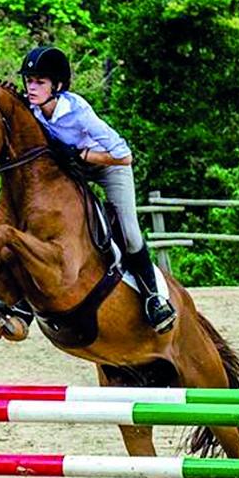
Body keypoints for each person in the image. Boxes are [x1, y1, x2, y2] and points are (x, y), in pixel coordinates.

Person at [19, 45, 176, 333]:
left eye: (39, 82)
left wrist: (84, 155)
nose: (31, 87)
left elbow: (124, 155)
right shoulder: (32, 108)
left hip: (109, 166)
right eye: (29, 81)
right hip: (74, 168)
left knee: (128, 232)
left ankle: (154, 297)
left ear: (58, 85)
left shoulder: (79, 113)